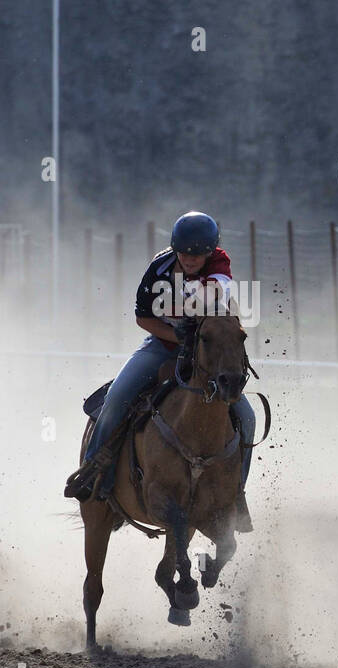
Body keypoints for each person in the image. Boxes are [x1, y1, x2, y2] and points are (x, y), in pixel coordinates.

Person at [63, 211, 257, 531]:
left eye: (198, 254)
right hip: (161, 346)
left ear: (210, 252)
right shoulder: (160, 266)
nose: (190, 259)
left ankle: (235, 495)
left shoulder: (220, 265)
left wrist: (197, 331)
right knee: (116, 399)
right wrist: (177, 336)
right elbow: (143, 317)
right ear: (174, 249)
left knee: (247, 418)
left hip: (206, 353)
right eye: (184, 253)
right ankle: (94, 475)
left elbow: (216, 297)